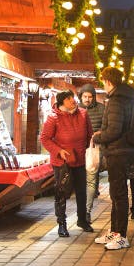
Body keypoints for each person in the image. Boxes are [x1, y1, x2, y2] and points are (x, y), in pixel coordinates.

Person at [92, 66, 134, 250]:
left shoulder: (116, 101)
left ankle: (122, 235)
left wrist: (98, 136)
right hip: (123, 151)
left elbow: (114, 130)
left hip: (118, 152)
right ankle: (115, 231)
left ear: (108, 81)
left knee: (118, 194)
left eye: (103, 80)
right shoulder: (126, 99)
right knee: (116, 193)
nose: (103, 84)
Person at [40, 90, 93, 237]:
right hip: (62, 162)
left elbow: (89, 134)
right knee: (61, 192)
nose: (73, 101)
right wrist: (59, 151)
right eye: (69, 99)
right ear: (62, 101)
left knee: (82, 191)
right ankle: (61, 224)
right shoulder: (53, 117)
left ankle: (82, 220)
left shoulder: (83, 114)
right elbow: (45, 138)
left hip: (80, 160)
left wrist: (85, 149)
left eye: (73, 98)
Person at [78, 83, 104, 222]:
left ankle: (87, 211)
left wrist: (98, 134)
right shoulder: (75, 109)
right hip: (77, 149)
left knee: (91, 180)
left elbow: (107, 126)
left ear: (93, 97)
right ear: (81, 97)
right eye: (85, 96)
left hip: (94, 148)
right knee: (80, 181)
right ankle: (82, 210)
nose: (87, 99)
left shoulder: (101, 109)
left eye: (90, 96)